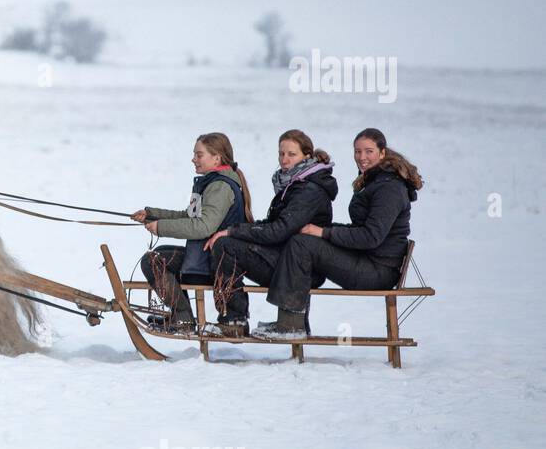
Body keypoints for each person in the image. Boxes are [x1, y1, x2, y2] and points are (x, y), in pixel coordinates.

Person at [255, 127, 423, 339]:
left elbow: (371, 237)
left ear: (382, 153)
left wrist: (324, 233)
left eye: (368, 151)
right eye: (357, 151)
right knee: (304, 239)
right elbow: (360, 229)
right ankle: (293, 323)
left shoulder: (389, 188)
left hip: (376, 271)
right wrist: (324, 231)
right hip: (367, 261)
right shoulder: (375, 181)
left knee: (301, 244)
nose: (362, 157)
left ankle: (290, 325)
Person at [203, 130, 337, 336]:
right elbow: (275, 226)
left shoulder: (309, 190)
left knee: (225, 247)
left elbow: (278, 231)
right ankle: (235, 319)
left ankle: (234, 320)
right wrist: (238, 231)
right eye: (281, 154)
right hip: (288, 262)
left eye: (291, 154)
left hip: (302, 270)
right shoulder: (294, 185)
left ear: (307, 156)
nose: (284, 160)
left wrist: (232, 231)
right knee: (227, 243)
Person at [132, 133, 252, 332]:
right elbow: (190, 217)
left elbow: (204, 226)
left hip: (215, 264)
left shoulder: (220, 186)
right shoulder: (210, 183)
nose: (193, 159)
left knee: (153, 261)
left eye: (199, 155)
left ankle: (182, 317)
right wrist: (152, 215)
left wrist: (161, 227)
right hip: (203, 258)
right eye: (194, 155)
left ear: (217, 158)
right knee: (158, 256)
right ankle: (182, 316)